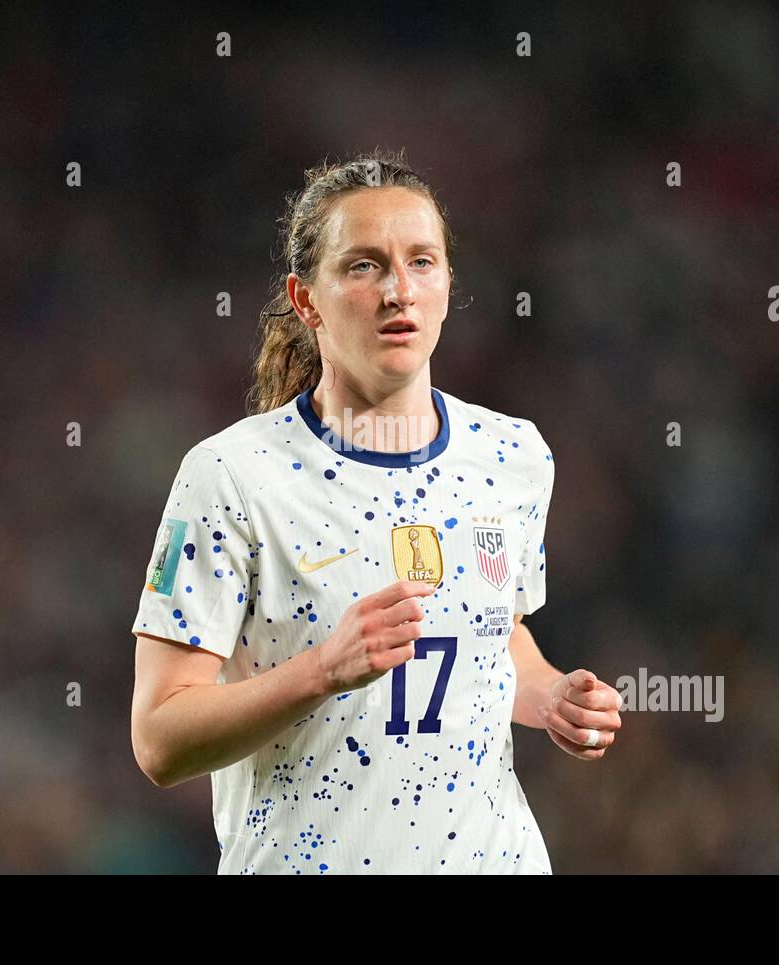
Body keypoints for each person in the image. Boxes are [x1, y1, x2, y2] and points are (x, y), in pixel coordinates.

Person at [129, 149, 623, 874]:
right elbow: (161, 739)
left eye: (422, 261)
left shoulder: (513, 456)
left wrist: (548, 692)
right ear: (306, 300)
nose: (399, 290)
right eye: (363, 266)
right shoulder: (233, 477)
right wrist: (323, 668)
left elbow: (492, 632)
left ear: (449, 282)